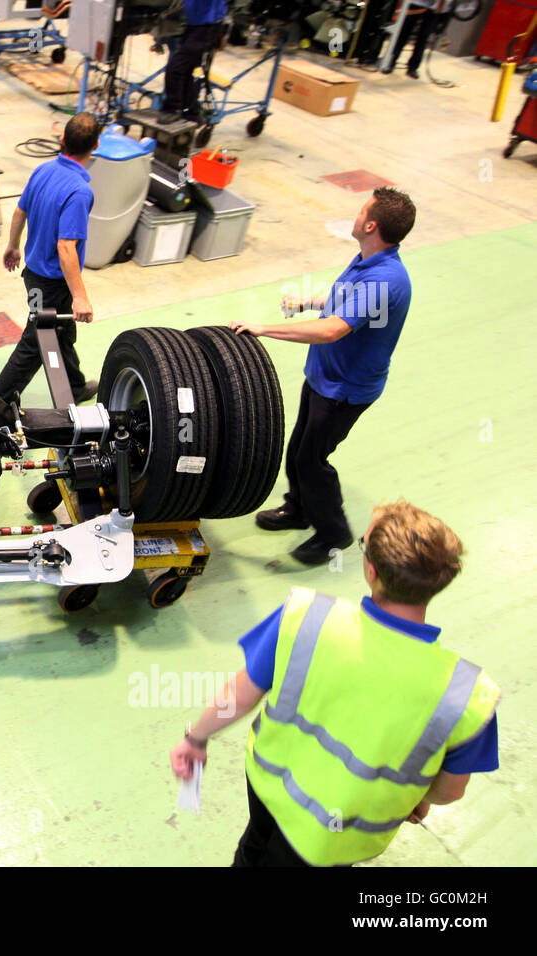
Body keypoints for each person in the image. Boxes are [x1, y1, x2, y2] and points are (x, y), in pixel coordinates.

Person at [170, 501, 500, 867]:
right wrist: (413, 796)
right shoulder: (468, 694)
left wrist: (195, 739)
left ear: (371, 571)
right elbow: (451, 790)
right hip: (340, 836)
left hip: (269, 788)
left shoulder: (307, 617)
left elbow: (241, 693)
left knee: (254, 851)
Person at [229, 187, 416, 565]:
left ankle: (334, 534)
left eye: (361, 210)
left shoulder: (385, 280)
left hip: (344, 391)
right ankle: (298, 510)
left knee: (312, 460)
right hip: (323, 377)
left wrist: (262, 328)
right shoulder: (369, 260)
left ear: (371, 224)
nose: (355, 214)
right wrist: (310, 302)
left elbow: (333, 330)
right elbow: (346, 298)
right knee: (299, 450)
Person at [0, 112, 101, 407]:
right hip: (51, 282)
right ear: (96, 145)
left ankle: (74, 387)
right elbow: (66, 247)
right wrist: (81, 297)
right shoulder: (79, 191)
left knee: (61, 331)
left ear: (62, 140)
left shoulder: (43, 170)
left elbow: (18, 211)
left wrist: (13, 246)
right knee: (37, 341)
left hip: (35, 273)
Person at [161, 0, 228, 124]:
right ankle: (191, 111)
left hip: (207, 25)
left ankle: (173, 109)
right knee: (186, 70)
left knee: (175, 69)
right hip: (196, 24)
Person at [386, 1, 451, 79]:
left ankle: (413, 67)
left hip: (433, 8)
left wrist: (440, 9)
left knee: (423, 36)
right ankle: (391, 61)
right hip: (416, 3)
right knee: (404, 33)